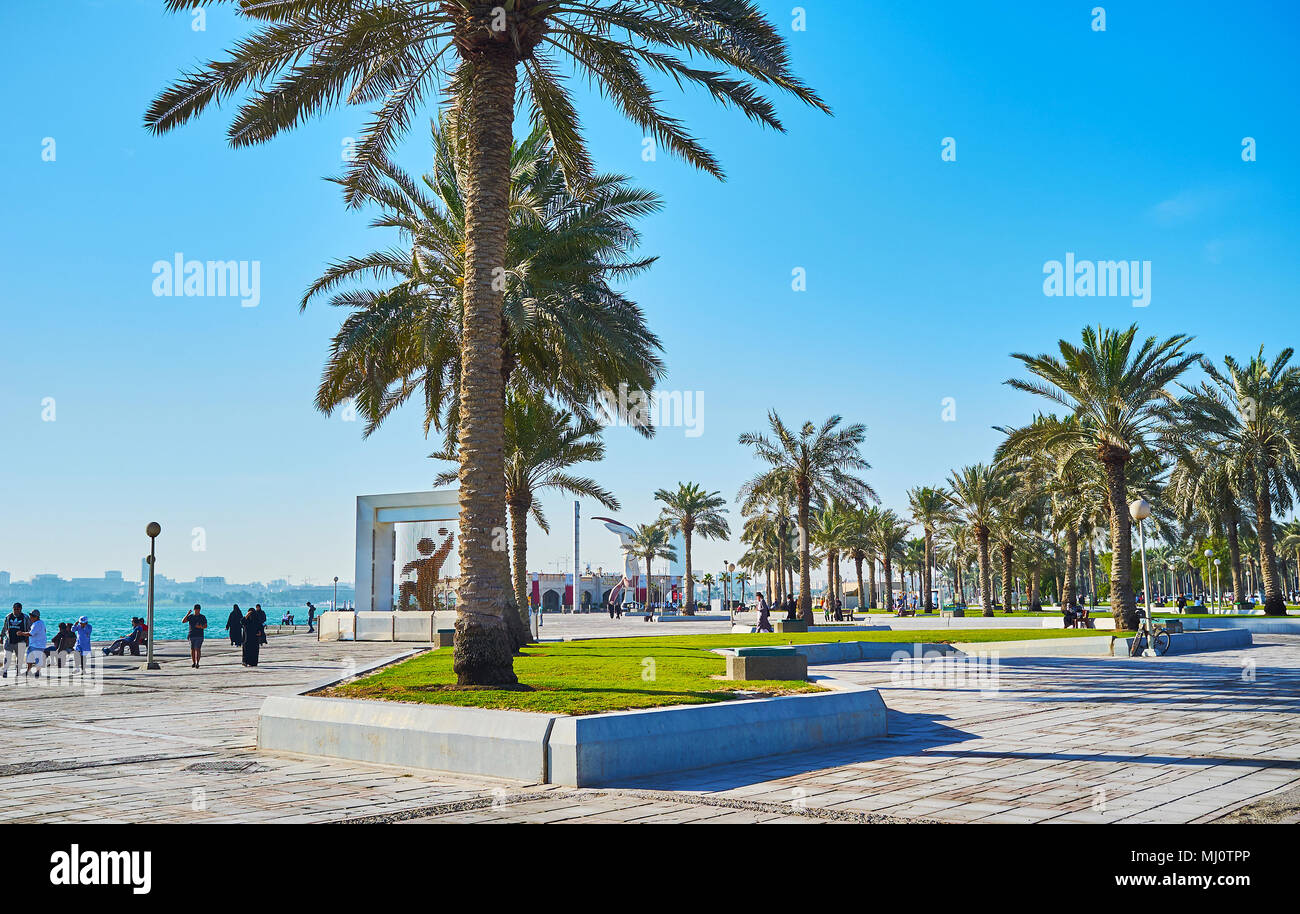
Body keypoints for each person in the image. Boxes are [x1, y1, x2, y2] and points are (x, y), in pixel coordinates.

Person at [2, 603, 28, 678]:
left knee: (20, 657)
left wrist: (28, 639)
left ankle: (18, 671)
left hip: (21, 641)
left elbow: (29, 628)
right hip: (9, 640)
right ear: (12, 609)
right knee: (7, 656)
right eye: (14, 609)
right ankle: (5, 671)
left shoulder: (25, 617)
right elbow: (5, 627)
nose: (16, 611)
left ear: (21, 609)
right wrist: (1, 636)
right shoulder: (8, 616)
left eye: (18, 609)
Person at [182, 604, 207, 669]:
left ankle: (197, 663)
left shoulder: (202, 617)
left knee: (198, 649)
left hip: (199, 635)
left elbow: (205, 626)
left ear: (200, 610)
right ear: (194, 610)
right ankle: (194, 662)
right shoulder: (191, 616)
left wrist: (200, 626)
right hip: (191, 635)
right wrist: (188, 614)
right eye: (196, 610)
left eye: (198, 610)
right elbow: (183, 621)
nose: (197, 611)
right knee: (192, 649)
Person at [25, 610, 47, 677]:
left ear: (35, 617)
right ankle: (32, 671)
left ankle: (33, 671)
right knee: (34, 659)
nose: (30, 618)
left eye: (31, 616)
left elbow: (31, 633)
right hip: (39, 644)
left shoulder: (36, 624)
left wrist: (21, 633)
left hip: (36, 644)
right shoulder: (41, 622)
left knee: (32, 658)